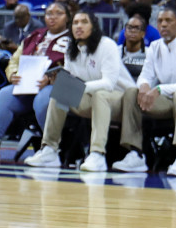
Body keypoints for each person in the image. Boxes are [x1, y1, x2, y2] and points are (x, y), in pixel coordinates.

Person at [24, 10, 133, 171]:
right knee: (61, 92)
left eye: (84, 22)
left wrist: (78, 87)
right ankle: (50, 150)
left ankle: (97, 154)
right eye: (75, 23)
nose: (78, 26)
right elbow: (71, 79)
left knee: (100, 94)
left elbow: (109, 83)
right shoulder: (71, 48)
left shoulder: (107, 45)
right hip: (92, 98)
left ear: (94, 26)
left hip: (122, 101)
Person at [111, 6, 176, 176]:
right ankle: (136, 154)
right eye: (160, 21)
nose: (163, 25)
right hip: (163, 100)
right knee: (132, 92)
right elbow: (146, 75)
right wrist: (144, 86)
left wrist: (159, 89)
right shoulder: (154, 46)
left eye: (168, 21)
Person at [0, 2, 72, 163]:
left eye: (58, 13)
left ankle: (51, 150)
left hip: (64, 87)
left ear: (68, 17)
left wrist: (51, 78)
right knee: (4, 95)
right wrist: (13, 74)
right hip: (31, 85)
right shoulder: (34, 36)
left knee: (42, 100)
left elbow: (76, 68)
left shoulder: (73, 38)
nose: (52, 17)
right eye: (49, 13)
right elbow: (14, 61)